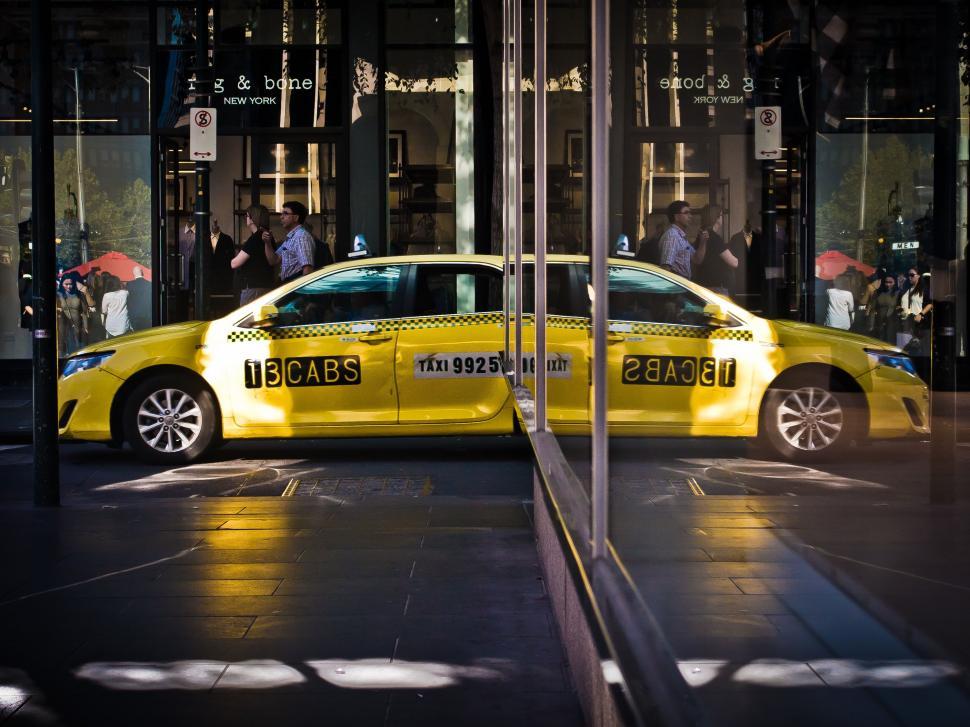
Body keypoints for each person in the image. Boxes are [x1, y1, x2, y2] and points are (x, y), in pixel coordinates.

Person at [231, 204, 276, 305]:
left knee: (247, 320)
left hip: (253, 288)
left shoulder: (255, 238)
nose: (245, 219)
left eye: (246, 216)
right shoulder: (268, 236)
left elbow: (235, 263)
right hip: (267, 286)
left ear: (252, 218)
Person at [262, 200, 314, 284]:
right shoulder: (291, 237)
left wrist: (303, 293)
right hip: (289, 285)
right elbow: (274, 260)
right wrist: (267, 242)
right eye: (282, 214)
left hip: (296, 287)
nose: (281, 217)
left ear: (296, 217)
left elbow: (307, 269)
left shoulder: (301, 236)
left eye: (285, 213)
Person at [693, 205, 736, 296]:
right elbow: (733, 262)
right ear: (716, 218)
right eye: (721, 216)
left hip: (704, 284)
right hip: (716, 288)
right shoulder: (714, 238)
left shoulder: (701, 235)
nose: (722, 219)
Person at [658, 200, 706, 279]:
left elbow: (697, 259)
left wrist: (703, 242)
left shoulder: (681, 237)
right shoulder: (672, 236)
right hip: (676, 287)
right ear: (676, 217)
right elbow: (666, 267)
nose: (690, 216)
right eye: (686, 213)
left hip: (682, 285)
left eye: (690, 213)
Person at [898, 268, 932, 355]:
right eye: (908, 275)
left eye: (912, 275)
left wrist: (921, 314)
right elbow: (903, 304)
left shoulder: (924, 289)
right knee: (914, 351)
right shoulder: (909, 289)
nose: (910, 277)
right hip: (913, 325)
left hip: (923, 324)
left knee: (925, 351)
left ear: (918, 276)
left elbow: (930, 303)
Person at [56, 275, 87, 355]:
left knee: (77, 349)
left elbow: (84, 312)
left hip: (77, 326)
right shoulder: (58, 295)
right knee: (63, 348)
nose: (69, 286)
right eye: (66, 284)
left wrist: (86, 327)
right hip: (63, 326)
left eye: (71, 284)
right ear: (61, 284)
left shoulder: (78, 295)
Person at [866, 273, 899, 344]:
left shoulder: (898, 293)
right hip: (879, 323)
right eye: (886, 282)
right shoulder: (877, 292)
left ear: (895, 282)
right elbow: (872, 309)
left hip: (891, 324)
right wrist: (871, 325)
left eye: (890, 282)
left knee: (890, 344)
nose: (888, 284)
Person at [209, 218, 236, 295]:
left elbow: (231, 260)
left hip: (223, 280)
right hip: (207, 280)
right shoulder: (204, 238)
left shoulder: (227, 239)